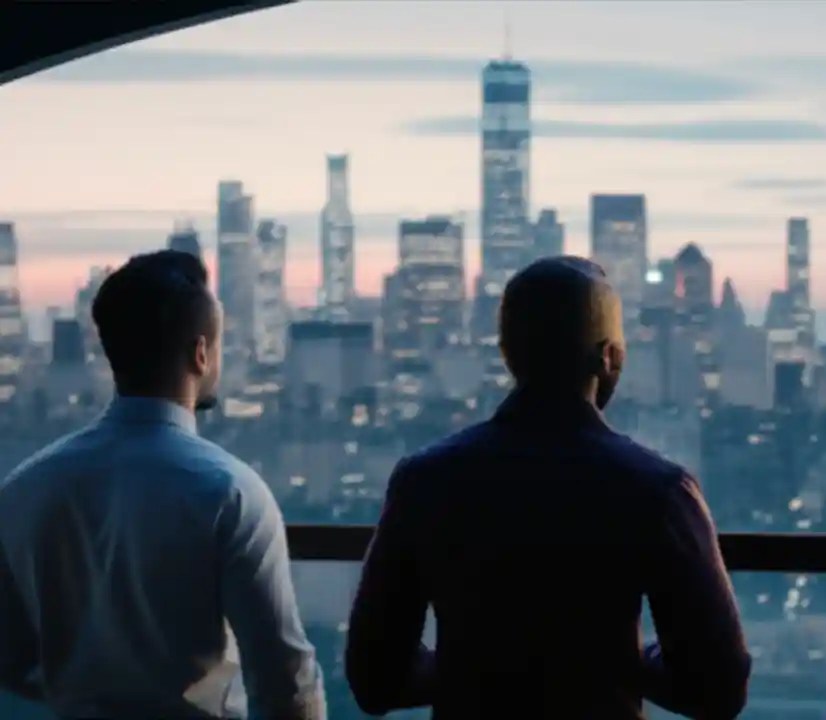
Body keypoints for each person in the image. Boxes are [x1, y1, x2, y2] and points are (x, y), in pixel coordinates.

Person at [346, 256, 751, 719]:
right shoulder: (657, 491)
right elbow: (718, 686)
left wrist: (478, 666)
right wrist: (614, 661)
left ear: (508, 352)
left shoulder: (425, 481)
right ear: (608, 356)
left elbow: (374, 679)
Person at [0, 250, 325, 719]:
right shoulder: (229, 492)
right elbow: (283, 674)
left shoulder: (25, 488)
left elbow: (9, 658)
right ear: (200, 353)